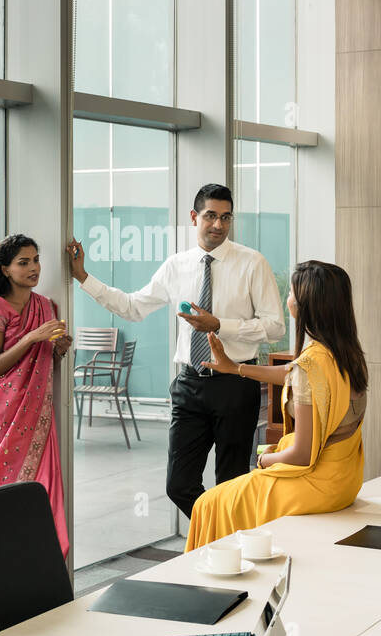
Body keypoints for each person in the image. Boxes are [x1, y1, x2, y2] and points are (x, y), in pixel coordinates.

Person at [66, 183, 285, 517]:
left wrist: (220, 325)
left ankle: (224, 553)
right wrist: (84, 277)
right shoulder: (176, 265)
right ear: (194, 217)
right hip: (189, 385)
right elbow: (132, 307)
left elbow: (275, 326)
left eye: (226, 218)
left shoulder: (252, 263)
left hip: (235, 385)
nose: (218, 225)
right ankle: (218, 534)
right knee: (178, 485)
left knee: (232, 483)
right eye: (211, 216)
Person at [185, 260, 368, 551]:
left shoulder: (312, 364)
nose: (288, 299)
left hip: (319, 485)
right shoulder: (345, 353)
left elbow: (303, 453)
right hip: (345, 479)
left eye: (292, 294)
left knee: (209, 503)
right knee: (230, 494)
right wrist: (236, 369)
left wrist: (264, 461)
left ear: (308, 305)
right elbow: (293, 374)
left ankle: (210, 581)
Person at [0, 234, 71, 556]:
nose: (33, 268)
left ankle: (32, 555)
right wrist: (31, 338)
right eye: (23, 262)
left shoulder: (45, 306)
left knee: (37, 486)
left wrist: (58, 349)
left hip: (35, 413)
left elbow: (43, 361)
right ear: (5, 269)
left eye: (36, 260)